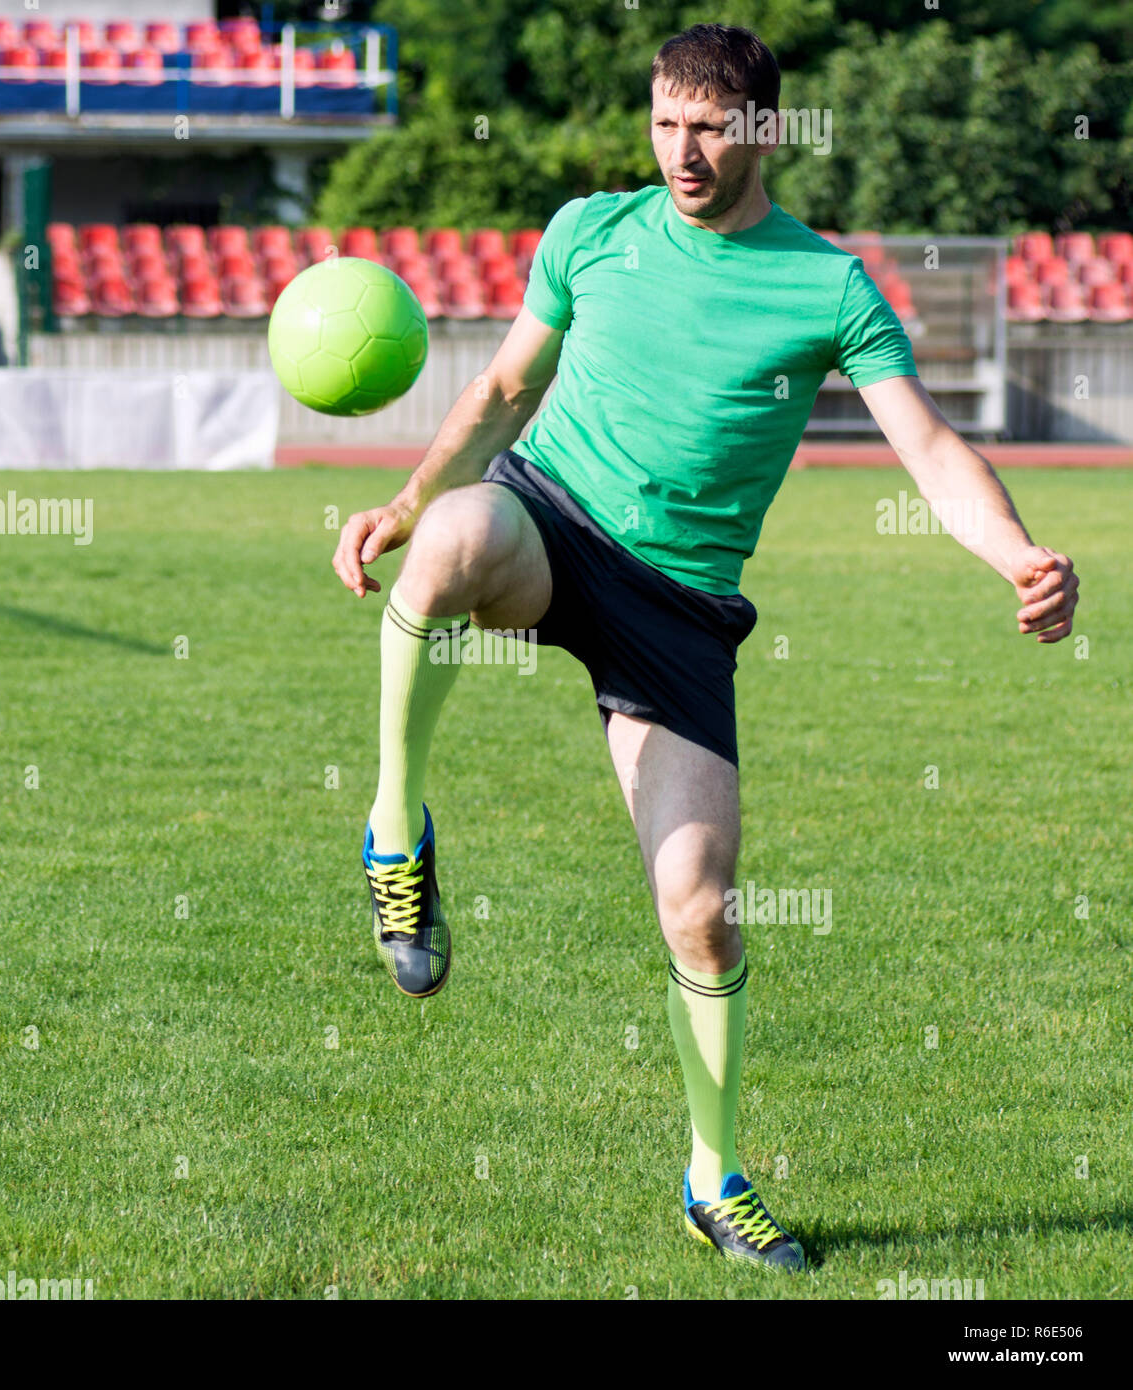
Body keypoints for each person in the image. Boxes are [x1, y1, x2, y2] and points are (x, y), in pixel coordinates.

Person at [331, 23, 1080, 1273]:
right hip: (551, 521)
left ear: (763, 132)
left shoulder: (826, 287)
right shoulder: (590, 233)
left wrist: (1015, 554)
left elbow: (931, 448)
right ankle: (393, 829)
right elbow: (505, 393)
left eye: (713, 126)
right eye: (667, 122)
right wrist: (403, 506)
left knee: (704, 916)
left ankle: (711, 1176)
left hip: (678, 608)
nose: (685, 149)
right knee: (453, 543)